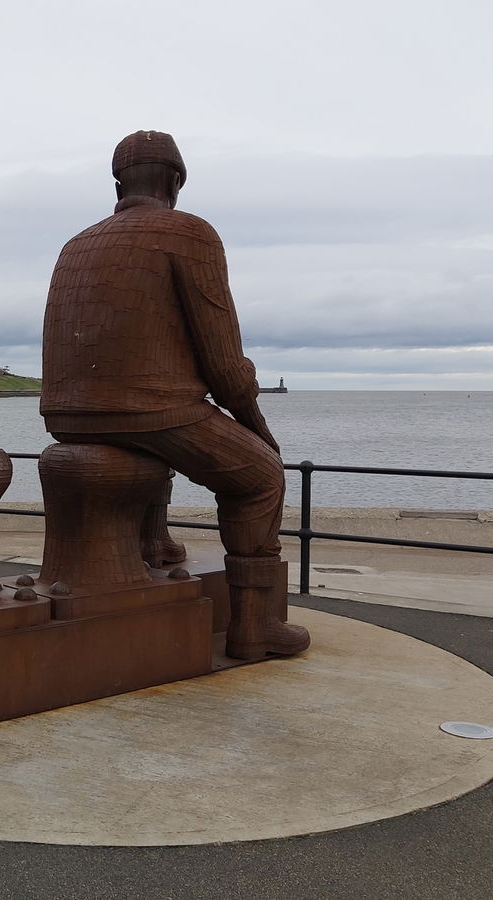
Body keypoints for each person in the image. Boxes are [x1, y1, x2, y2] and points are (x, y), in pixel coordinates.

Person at [40, 130, 309, 659]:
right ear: (175, 180)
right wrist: (256, 426)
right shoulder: (188, 232)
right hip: (149, 408)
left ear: (118, 181)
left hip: (66, 414)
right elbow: (223, 357)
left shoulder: (77, 242)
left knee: (150, 438)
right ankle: (255, 627)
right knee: (260, 478)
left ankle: (153, 542)